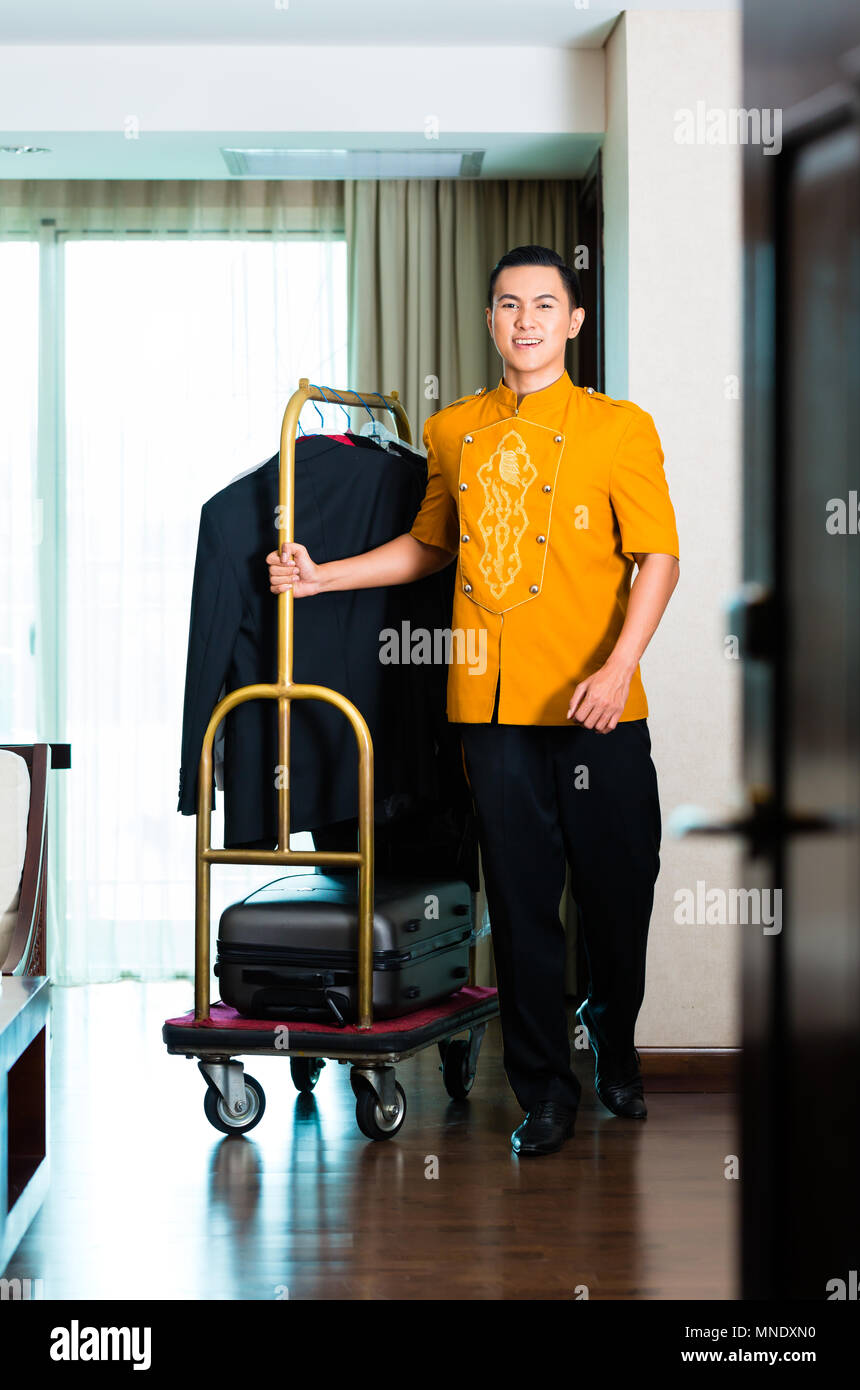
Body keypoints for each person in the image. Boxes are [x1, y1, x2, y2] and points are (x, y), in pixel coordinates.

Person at [266, 245, 680, 1157]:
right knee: (524, 907)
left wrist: (618, 668)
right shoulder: (456, 431)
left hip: (597, 706)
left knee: (618, 895)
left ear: (574, 322)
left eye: (543, 304)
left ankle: (612, 1024)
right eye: (507, 304)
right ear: (490, 321)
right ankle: (546, 1092)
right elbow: (429, 546)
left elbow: (659, 558)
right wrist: (321, 577)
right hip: (491, 715)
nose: (524, 320)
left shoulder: (621, 427)